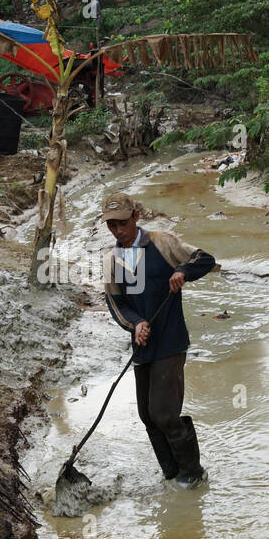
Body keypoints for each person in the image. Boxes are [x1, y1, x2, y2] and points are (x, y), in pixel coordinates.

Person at [100, 192, 216, 485]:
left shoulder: (163, 243)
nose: (118, 230)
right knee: (147, 415)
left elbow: (206, 260)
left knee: (164, 413)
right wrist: (135, 324)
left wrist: (182, 271)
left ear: (136, 216)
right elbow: (116, 305)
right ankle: (171, 474)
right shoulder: (111, 260)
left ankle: (192, 475)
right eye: (111, 225)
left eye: (122, 223)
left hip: (171, 340)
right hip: (143, 343)